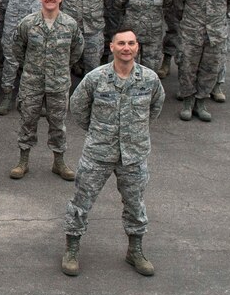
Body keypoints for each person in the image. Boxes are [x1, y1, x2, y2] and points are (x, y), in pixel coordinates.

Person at [62, 30, 165, 277]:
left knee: (135, 204)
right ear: (112, 47)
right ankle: (72, 249)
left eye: (130, 43)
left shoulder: (149, 79)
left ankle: (135, 250)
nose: (126, 48)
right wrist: (99, 131)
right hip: (99, 152)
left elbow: (155, 107)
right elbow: (78, 107)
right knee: (81, 202)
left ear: (137, 47)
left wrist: (134, 131)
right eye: (121, 43)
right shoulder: (96, 78)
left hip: (134, 154)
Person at [7, 0, 84, 181]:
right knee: (27, 121)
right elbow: (17, 47)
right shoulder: (28, 23)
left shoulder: (70, 24)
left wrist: (60, 66)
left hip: (58, 83)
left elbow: (76, 50)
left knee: (58, 124)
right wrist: (32, 66)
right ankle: (23, 161)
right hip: (32, 81)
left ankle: (59, 162)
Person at [171, 0, 230, 123]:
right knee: (187, 68)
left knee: (210, 69)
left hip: (215, 34)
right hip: (191, 33)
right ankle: (187, 102)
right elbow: (178, 4)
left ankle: (201, 102)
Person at [113, 0, 171, 73]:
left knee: (150, 69)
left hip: (153, 36)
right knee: (128, 67)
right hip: (132, 35)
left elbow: (167, 5)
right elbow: (118, 6)